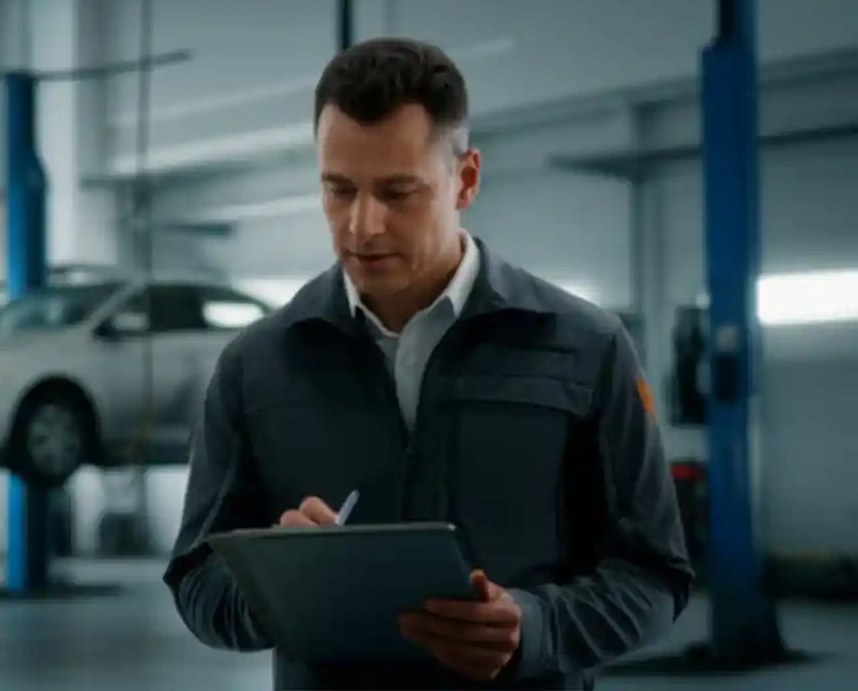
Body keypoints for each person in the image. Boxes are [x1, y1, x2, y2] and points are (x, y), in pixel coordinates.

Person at [164, 38, 694, 690]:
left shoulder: (585, 347)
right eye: (339, 190)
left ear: (465, 179)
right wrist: (276, 584)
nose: (362, 225)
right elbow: (195, 580)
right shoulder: (256, 365)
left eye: (397, 193)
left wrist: (536, 626)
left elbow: (654, 576)